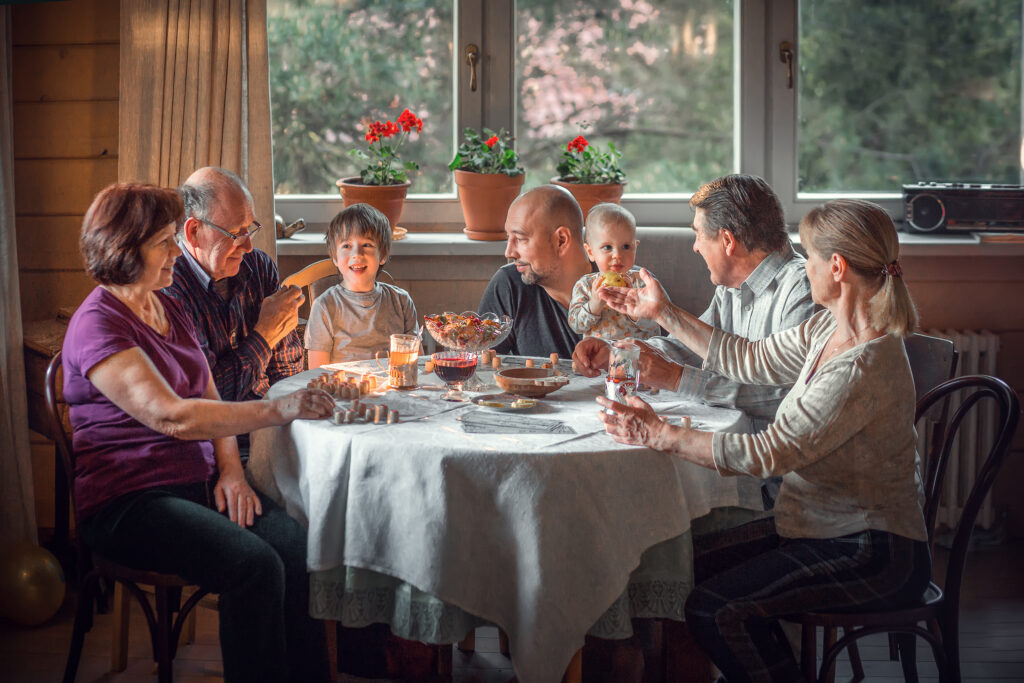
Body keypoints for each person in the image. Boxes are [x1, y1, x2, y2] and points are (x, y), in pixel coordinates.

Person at [595, 199, 931, 683]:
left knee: (717, 609)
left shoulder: (863, 364)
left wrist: (660, 433)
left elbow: (766, 452)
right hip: (815, 527)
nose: (802, 264)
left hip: (870, 550)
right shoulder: (826, 327)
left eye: (809, 256)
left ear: (836, 268)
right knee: (677, 568)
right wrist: (662, 312)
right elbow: (748, 358)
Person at [63, 183, 334, 683]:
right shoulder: (98, 324)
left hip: (197, 485)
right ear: (125, 250)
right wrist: (279, 410)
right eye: (164, 242)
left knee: (297, 550)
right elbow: (175, 416)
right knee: (254, 567)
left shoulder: (166, 303)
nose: (175, 251)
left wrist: (230, 470)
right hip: (130, 503)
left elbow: (209, 397)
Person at [162, 167, 304, 460]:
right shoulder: (169, 288)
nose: (249, 245)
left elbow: (287, 373)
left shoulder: (258, 268)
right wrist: (264, 336)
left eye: (250, 228)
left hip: (274, 429)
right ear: (193, 231)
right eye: (236, 234)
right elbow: (208, 401)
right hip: (213, 449)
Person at [478, 184, 593, 358]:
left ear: (561, 240)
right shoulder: (509, 285)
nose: (509, 253)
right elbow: (479, 369)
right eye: (509, 238)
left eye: (521, 239)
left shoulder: (627, 288)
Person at [305, 203, 418, 368]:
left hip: (394, 389)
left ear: (383, 255)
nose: (357, 254)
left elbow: (417, 365)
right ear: (335, 258)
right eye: (346, 246)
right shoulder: (324, 307)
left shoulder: (401, 301)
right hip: (343, 391)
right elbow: (316, 373)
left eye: (367, 245)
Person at [568, 203, 660, 340]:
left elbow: (659, 325)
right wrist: (594, 304)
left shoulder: (644, 282)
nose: (617, 254)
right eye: (607, 247)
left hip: (638, 356)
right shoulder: (585, 286)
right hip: (598, 357)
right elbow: (576, 325)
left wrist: (635, 309)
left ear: (635, 247)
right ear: (590, 252)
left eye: (626, 246)